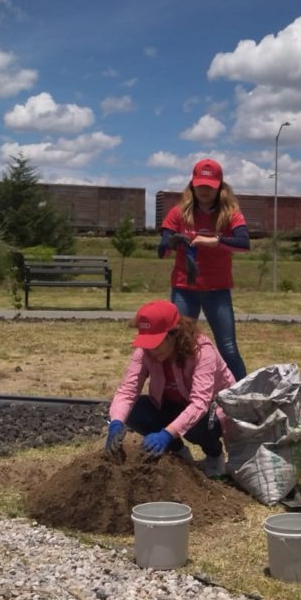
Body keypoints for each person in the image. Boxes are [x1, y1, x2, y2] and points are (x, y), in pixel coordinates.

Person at [104, 300, 233, 477]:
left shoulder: (202, 352)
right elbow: (127, 390)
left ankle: (214, 455)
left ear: (174, 334)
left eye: (156, 343)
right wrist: (116, 422)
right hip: (173, 405)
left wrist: (166, 434)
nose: (151, 350)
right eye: (147, 343)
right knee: (135, 410)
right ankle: (178, 452)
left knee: (196, 425)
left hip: (211, 412)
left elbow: (199, 403)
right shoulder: (145, 352)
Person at [159, 158, 251, 379]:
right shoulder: (178, 212)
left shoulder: (230, 213)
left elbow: (244, 242)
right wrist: (171, 242)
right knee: (179, 344)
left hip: (217, 289)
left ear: (220, 186)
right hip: (184, 288)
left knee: (228, 347)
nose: (204, 190)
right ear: (192, 184)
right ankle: (176, 393)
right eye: (200, 185)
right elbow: (161, 250)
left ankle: (242, 394)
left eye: (209, 186)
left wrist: (217, 241)